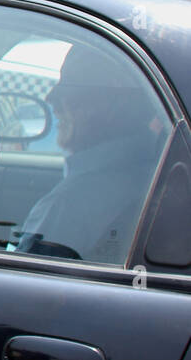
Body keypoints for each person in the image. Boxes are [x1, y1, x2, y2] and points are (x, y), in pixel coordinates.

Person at [11, 43, 164, 263]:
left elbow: (19, 287)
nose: (52, 100)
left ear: (109, 104)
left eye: (71, 90)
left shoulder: (67, 207)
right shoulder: (154, 172)